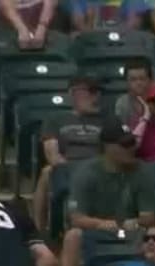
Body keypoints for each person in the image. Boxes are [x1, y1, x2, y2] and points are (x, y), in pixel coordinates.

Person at [58, 119, 155, 266]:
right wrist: (102, 224)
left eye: (131, 143)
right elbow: (76, 217)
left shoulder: (141, 171)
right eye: (124, 145)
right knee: (72, 236)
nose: (130, 148)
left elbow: (150, 215)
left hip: (132, 232)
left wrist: (136, 221)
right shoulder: (87, 172)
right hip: (96, 232)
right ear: (107, 147)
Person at [33, 76, 106, 239]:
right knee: (46, 172)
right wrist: (69, 167)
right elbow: (51, 153)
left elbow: (111, 151)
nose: (90, 97)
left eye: (93, 93)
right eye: (82, 92)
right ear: (71, 94)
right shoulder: (56, 119)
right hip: (67, 166)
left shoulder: (106, 120)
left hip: (97, 167)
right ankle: (39, 231)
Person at [115, 59, 153, 129]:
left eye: (142, 79)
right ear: (127, 82)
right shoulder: (122, 104)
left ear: (150, 80)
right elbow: (123, 129)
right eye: (133, 79)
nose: (138, 83)